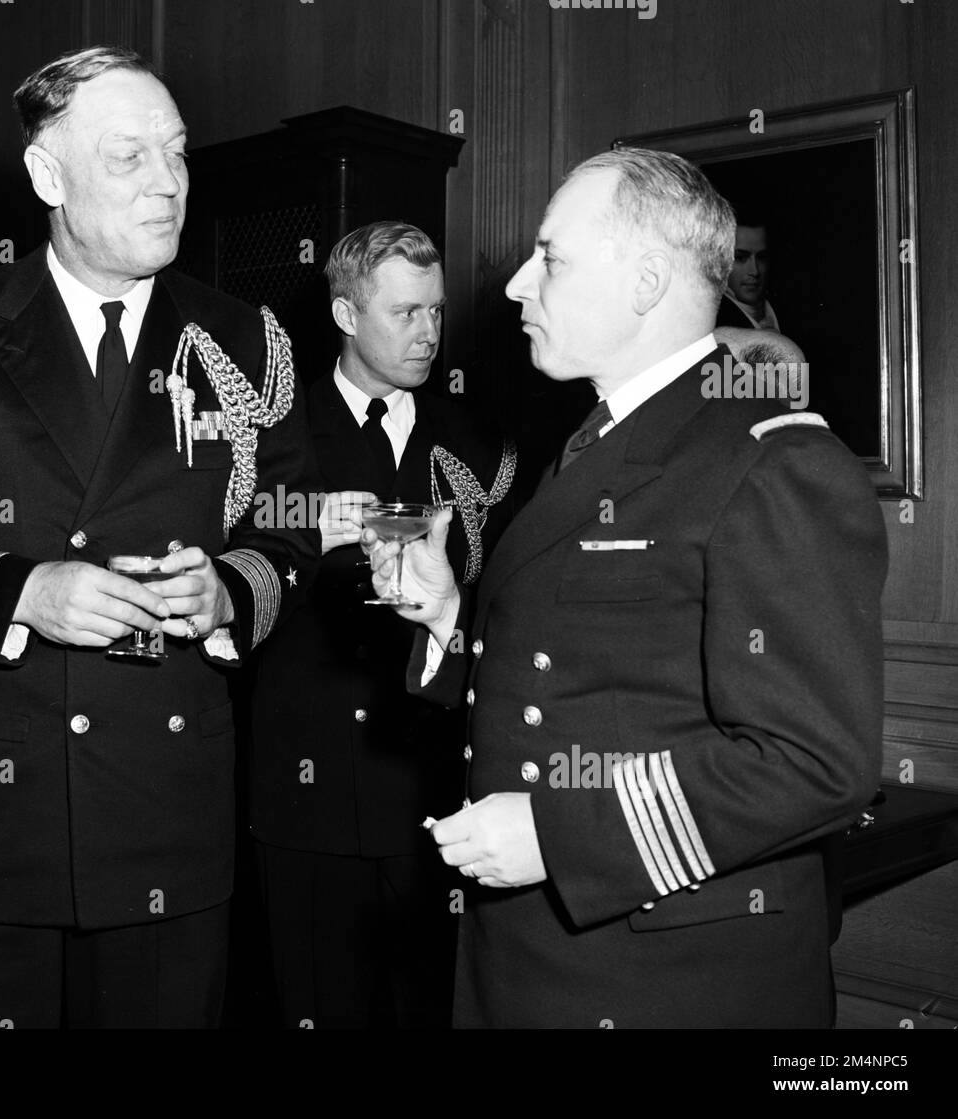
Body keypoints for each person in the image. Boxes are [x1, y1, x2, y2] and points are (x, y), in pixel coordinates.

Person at [0, 45, 318, 1028]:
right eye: (129, 157)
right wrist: (21, 594)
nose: (170, 182)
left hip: (171, 818)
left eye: (177, 153)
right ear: (48, 177)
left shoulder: (246, 340)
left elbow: (295, 530)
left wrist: (231, 590)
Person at [365, 148, 886, 1028]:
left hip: (662, 979)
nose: (516, 284)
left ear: (647, 282)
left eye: (551, 258)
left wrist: (555, 835)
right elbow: (575, 675)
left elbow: (816, 762)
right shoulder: (598, 440)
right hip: (548, 961)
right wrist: (449, 613)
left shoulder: (772, 457)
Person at [248, 222, 515, 1028]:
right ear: (344, 313)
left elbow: (495, 599)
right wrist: (300, 524)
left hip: (431, 785)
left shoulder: (479, 440)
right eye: (405, 313)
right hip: (306, 784)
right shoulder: (270, 433)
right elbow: (224, 555)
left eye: (436, 312)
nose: (429, 333)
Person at [716, 214, 780, 330]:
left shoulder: (785, 309)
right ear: (721, 260)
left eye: (761, 257)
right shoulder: (714, 320)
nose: (754, 271)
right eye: (740, 258)